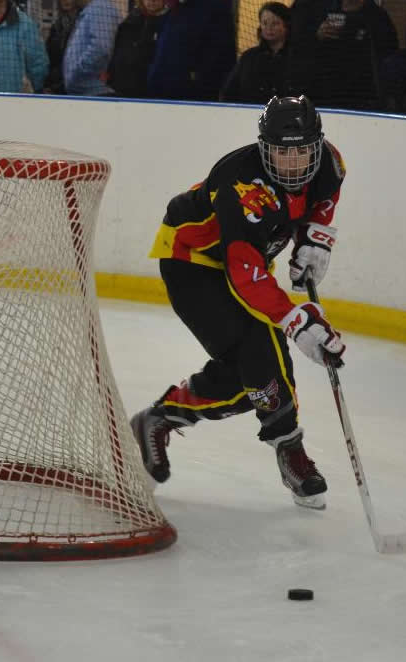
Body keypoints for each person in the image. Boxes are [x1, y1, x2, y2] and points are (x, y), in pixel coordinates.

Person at [130, 95, 346, 510]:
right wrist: (296, 321)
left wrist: (314, 240)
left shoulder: (331, 165)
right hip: (192, 262)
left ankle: (161, 418)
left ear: (317, 146)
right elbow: (243, 273)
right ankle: (289, 448)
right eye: (281, 152)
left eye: (302, 151)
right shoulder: (240, 186)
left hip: (245, 263)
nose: (292, 163)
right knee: (261, 352)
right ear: (265, 149)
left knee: (253, 380)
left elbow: (322, 204)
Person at [220, 1, 291, 104]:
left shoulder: (297, 58)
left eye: (275, 23)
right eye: (265, 23)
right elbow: (228, 93)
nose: (269, 28)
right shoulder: (248, 57)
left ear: (286, 26)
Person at [107, 0, 166, 99]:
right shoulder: (129, 22)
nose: (152, 1)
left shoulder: (168, 24)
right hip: (123, 85)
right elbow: (117, 53)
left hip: (151, 88)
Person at [62, 0, 121, 96]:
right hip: (87, 92)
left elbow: (101, 49)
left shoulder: (100, 7)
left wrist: (76, 73)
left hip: (96, 93)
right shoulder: (90, 10)